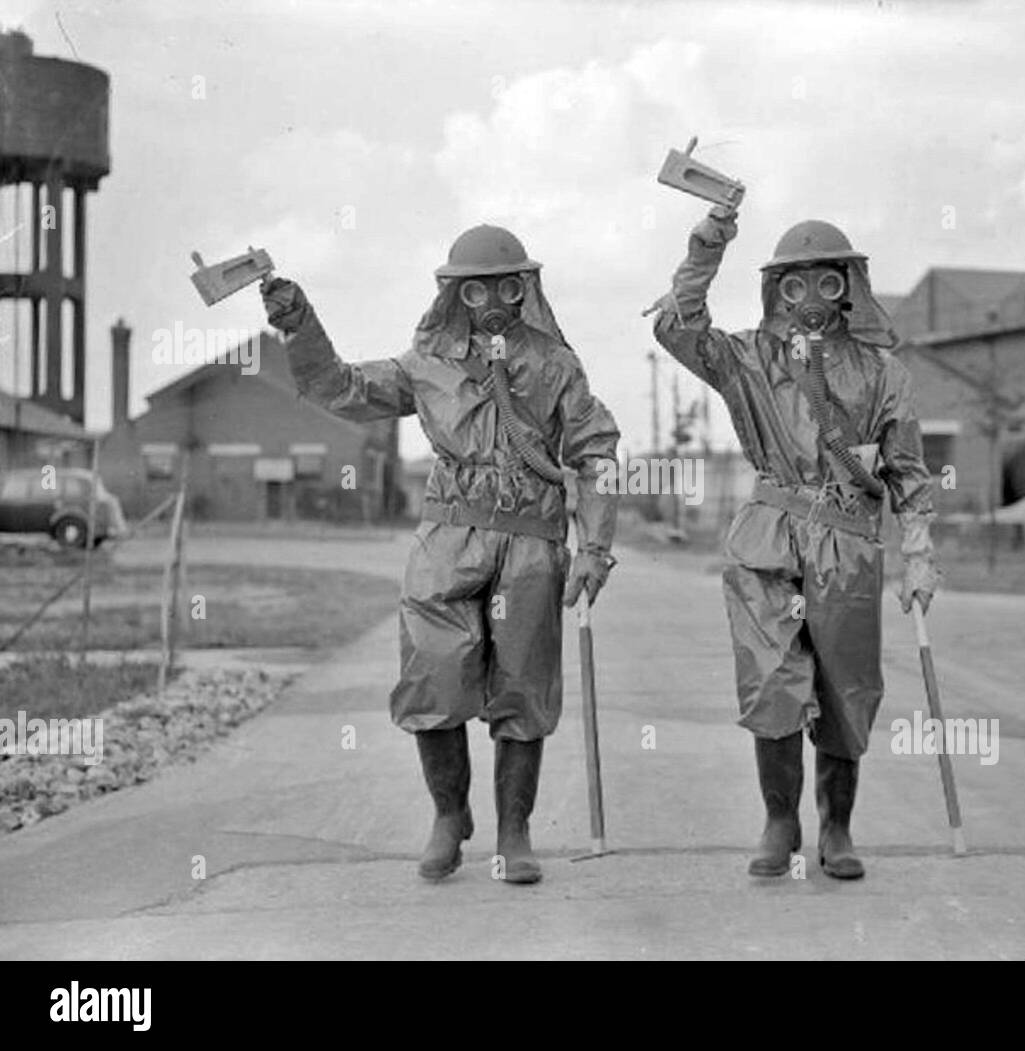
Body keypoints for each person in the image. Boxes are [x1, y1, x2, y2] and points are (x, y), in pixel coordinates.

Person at [261, 225, 620, 885]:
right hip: (448, 540)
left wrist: (596, 545)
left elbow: (595, 452)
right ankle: (449, 816)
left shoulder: (555, 365)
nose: (491, 300)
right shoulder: (426, 361)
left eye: (506, 285)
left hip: (532, 543)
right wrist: (300, 325)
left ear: (524, 289)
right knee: (434, 678)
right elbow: (341, 388)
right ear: (455, 290)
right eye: (474, 286)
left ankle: (515, 832)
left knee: (523, 689)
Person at [651, 205, 939, 879]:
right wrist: (706, 244)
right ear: (775, 290)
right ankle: (780, 820)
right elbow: (674, 325)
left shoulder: (882, 374)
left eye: (826, 283)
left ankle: (836, 829)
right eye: (794, 284)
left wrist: (919, 551)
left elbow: (908, 473)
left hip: (847, 544)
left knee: (846, 689)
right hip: (768, 538)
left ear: (849, 287)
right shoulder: (747, 358)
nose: (810, 300)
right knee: (771, 681)